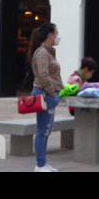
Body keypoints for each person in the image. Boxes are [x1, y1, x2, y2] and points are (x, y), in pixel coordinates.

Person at [29, 22, 63, 172]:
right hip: (44, 95)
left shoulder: (48, 52)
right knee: (42, 130)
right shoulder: (42, 53)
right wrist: (52, 92)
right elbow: (43, 75)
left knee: (46, 130)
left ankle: (43, 162)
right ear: (50, 35)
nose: (58, 36)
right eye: (56, 33)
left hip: (48, 94)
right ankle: (40, 165)